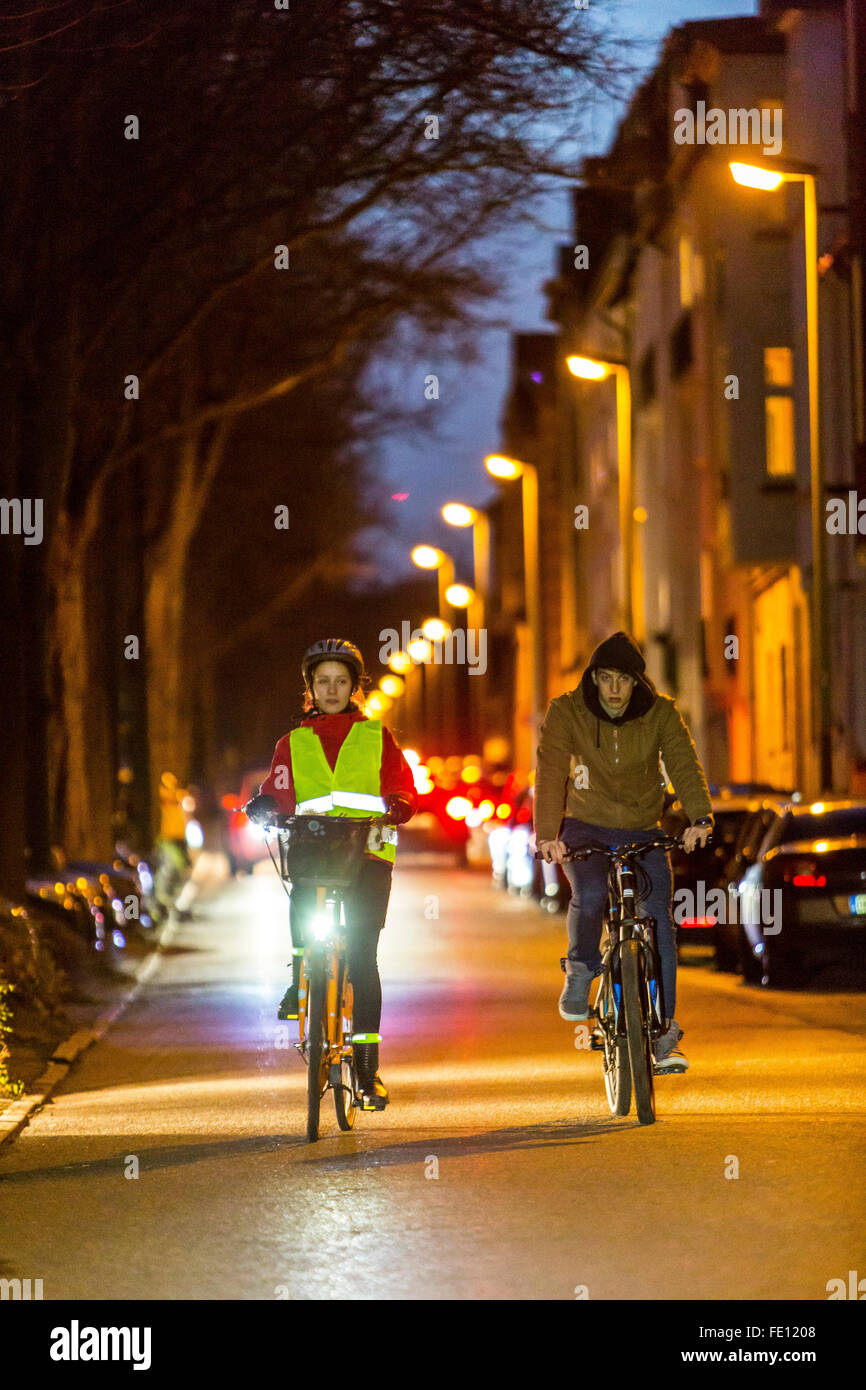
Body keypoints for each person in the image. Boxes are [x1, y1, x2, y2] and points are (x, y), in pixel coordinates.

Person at [245, 638, 417, 1110]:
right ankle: (300, 973)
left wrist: (400, 803)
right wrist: (263, 805)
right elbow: (278, 791)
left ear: (354, 687)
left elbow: (402, 784)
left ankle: (367, 1072)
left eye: (342, 681)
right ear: (311, 688)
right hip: (315, 854)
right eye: (324, 682)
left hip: (367, 856)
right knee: (302, 909)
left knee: (362, 957)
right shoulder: (292, 743)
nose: (333, 689)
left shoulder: (376, 736)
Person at [534, 631, 713, 1073]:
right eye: (606, 678)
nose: (614, 689)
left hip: (642, 827)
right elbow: (551, 770)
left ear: (638, 683)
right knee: (591, 895)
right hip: (584, 827)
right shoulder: (567, 711)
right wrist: (546, 834)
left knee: (659, 920)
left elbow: (683, 764)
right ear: (593, 679)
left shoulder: (661, 713)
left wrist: (700, 818)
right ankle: (580, 968)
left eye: (624, 679)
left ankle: (665, 1032)